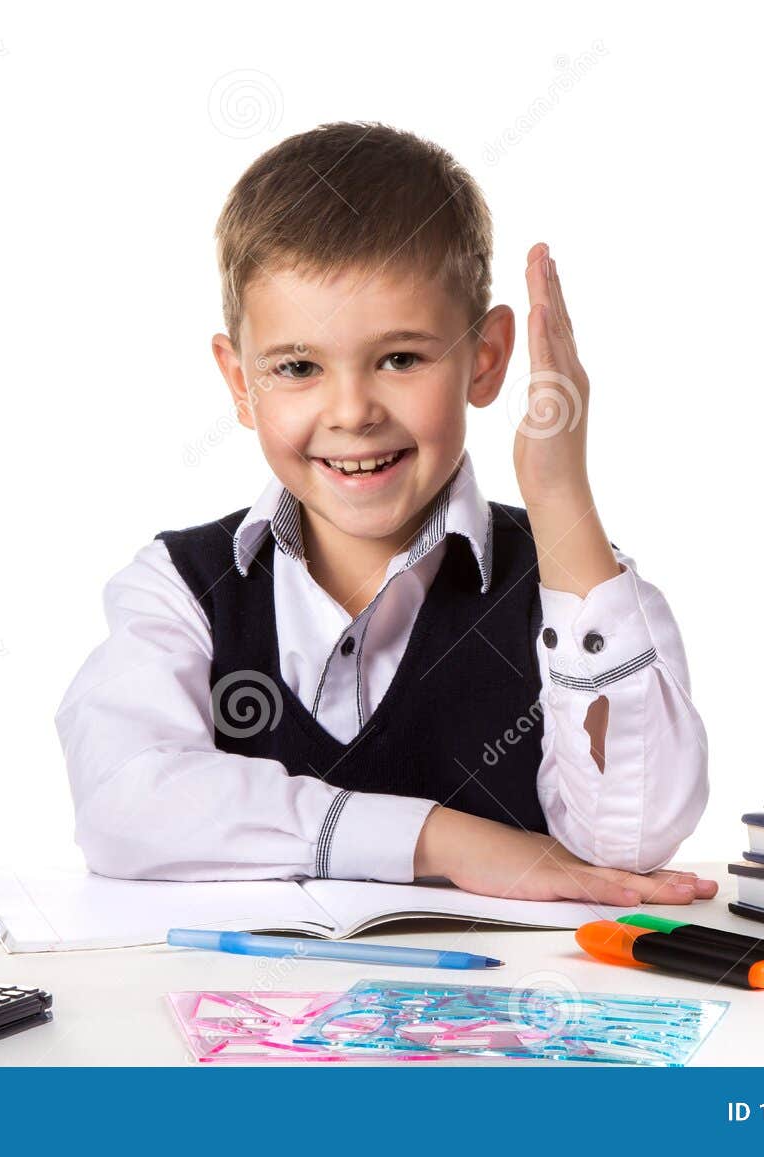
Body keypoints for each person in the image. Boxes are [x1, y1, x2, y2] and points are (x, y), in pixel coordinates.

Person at [56, 122, 713, 906]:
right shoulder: (180, 588)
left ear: (487, 357)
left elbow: (630, 839)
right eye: (297, 367)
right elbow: (125, 804)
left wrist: (560, 495)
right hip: (247, 1012)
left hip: (509, 1016)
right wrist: (442, 839)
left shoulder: (572, 591)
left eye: (400, 358)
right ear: (239, 381)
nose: (352, 411)